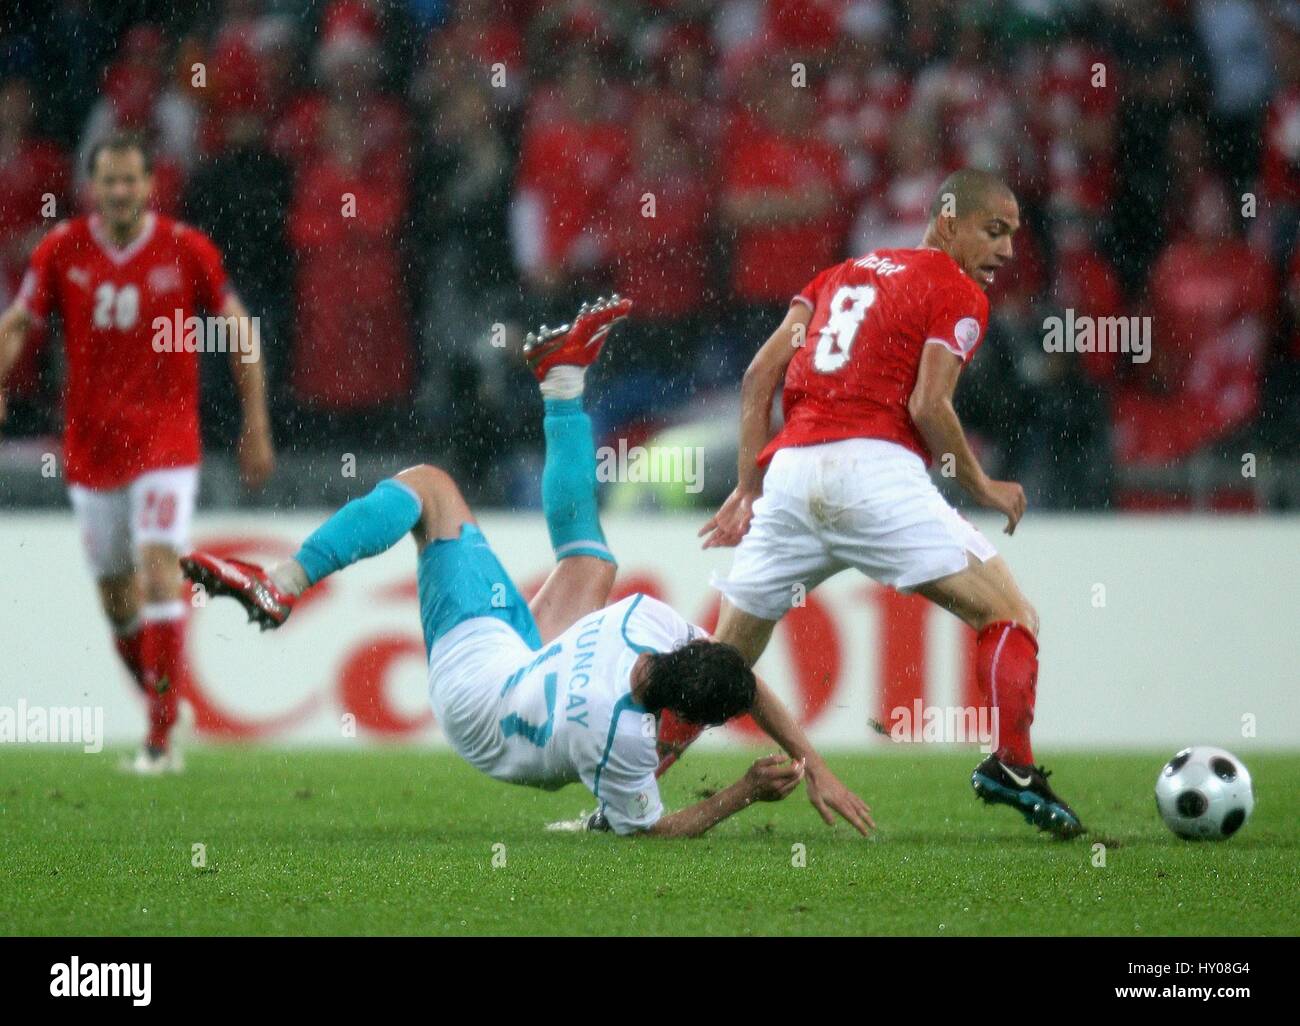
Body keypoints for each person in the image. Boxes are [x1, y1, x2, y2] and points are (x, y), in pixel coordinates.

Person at [181, 298, 873, 838]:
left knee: (429, 487)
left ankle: (286, 581)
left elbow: (728, 677)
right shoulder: (622, 741)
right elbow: (659, 829)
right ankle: (562, 381)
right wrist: (745, 792)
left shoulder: (642, 623)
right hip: (495, 687)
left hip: (494, 684)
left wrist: (797, 763)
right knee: (590, 561)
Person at [698, 170, 1084, 839]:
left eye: (1014, 236)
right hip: (872, 472)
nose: (1007, 251)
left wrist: (746, 490)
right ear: (947, 220)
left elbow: (759, 378)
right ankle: (1012, 768)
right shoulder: (956, 291)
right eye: (994, 231)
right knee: (1011, 615)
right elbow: (927, 405)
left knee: (717, 670)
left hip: (790, 475)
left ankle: (624, 790)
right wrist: (983, 486)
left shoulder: (836, 276)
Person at [0, 132, 274, 773]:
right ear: (93, 188)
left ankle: (156, 743)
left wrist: (255, 422)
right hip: (93, 447)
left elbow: (238, 328)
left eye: (131, 180)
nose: (121, 191)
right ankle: (163, 710)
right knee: (118, 604)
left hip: (165, 439)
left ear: (151, 185)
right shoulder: (62, 249)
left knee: (158, 569)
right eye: (109, 181)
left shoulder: (185, 249)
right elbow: (17, 323)